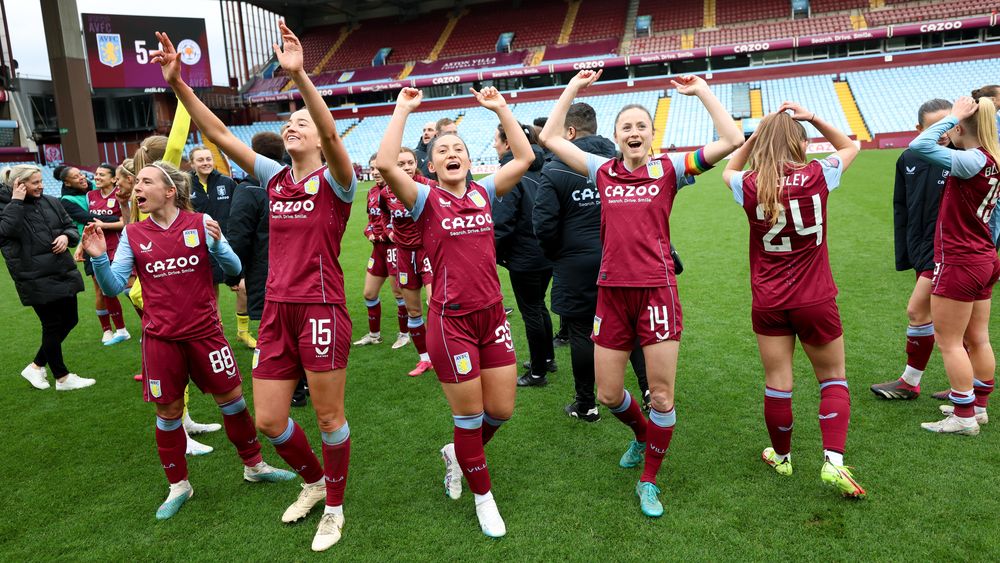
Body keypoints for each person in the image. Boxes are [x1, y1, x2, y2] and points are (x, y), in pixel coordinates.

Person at [155, 21, 357, 551]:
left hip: (320, 308)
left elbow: (332, 135)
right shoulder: (273, 177)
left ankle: (334, 507)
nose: (292, 127)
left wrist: (300, 78)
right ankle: (315, 481)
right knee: (269, 419)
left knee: (330, 415)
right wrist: (178, 85)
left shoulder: (336, 179)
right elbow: (221, 134)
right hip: (275, 310)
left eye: (300, 123)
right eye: (287, 121)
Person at [539, 69, 743, 518]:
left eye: (641, 127)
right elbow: (551, 137)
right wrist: (573, 88)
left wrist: (702, 92)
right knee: (610, 395)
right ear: (616, 137)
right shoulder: (601, 170)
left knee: (662, 394)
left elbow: (731, 139)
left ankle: (649, 480)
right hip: (610, 293)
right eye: (626, 127)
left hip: (657, 292)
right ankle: (641, 433)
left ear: (653, 134)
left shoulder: (670, 168)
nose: (634, 132)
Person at [82, 160, 294, 519]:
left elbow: (234, 270)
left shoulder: (200, 224)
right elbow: (115, 286)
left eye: (145, 182)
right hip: (161, 339)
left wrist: (219, 245)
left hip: (206, 334)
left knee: (234, 403)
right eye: (137, 184)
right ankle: (179, 485)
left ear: (169, 191)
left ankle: (254, 466)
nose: (137, 189)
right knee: (168, 412)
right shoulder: (134, 234)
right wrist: (100, 259)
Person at [376, 85, 533, 538]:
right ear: (430, 163)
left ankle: (457, 453)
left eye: (458, 148)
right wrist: (404, 108)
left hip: (492, 317)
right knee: (468, 416)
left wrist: (501, 109)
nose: (450, 153)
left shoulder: (484, 191)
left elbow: (523, 160)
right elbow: (386, 165)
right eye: (442, 149)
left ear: (468, 159)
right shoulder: (424, 198)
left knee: (500, 411)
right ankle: (484, 498)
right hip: (452, 323)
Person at [722, 103, 866, 499]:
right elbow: (851, 147)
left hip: (769, 299)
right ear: (802, 144)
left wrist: (753, 139)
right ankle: (834, 461)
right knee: (833, 377)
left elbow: (728, 171)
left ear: (762, 144)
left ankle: (782, 457)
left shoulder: (749, 184)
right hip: (815, 297)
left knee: (777, 381)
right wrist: (815, 118)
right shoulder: (818, 173)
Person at [533, 102, 653, 420]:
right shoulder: (622, 160)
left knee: (583, 331)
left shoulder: (557, 165)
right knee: (633, 328)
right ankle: (650, 392)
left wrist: (561, 254)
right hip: (624, 260)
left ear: (570, 132)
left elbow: (543, 224)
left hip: (576, 264)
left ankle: (586, 403)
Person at [909, 95, 1000, 435]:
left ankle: (963, 417)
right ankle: (977, 408)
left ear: (961, 127)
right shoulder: (992, 157)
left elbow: (919, 145)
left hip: (959, 260)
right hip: (985, 257)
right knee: (979, 338)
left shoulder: (970, 160)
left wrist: (951, 118)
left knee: (950, 341)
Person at [871, 99, 953, 400]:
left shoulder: (965, 157)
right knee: (957, 321)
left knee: (918, 311)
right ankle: (969, 388)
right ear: (919, 130)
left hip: (950, 251)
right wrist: (906, 253)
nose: (943, 132)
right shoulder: (908, 158)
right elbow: (901, 207)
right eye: (934, 127)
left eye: (949, 123)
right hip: (922, 249)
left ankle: (911, 382)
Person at [0, 164, 93, 391]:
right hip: (33, 275)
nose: (41, 186)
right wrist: (17, 202)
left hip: (62, 270)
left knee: (70, 320)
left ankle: (36, 366)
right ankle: (62, 377)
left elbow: (70, 226)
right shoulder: (6, 206)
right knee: (52, 325)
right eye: (35, 183)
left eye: (41, 181)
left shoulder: (51, 201)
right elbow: (5, 232)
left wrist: (65, 236)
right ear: (19, 185)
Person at [490, 122, 555, 388]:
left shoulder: (510, 172)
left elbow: (502, 222)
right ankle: (547, 359)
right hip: (547, 251)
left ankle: (538, 372)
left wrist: (493, 253)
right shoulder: (545, 167)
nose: (494, 144)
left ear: (508, 143)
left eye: (496, 139)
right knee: (538, 306)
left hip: (525, 255)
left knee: (531, 311)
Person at [188, 146, 254, 349]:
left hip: (228, 244)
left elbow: (240, 210)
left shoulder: (226, 182)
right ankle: (218, 335)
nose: (206, 162)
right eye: (200, 160)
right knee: (211, 293)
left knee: (243, 288)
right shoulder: (185, 185)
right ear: (192, 164)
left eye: (208, 159)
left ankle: (243, 332)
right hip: (200, 247)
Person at [386, 146, 435, 375]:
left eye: (409, 162)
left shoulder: (429, 186)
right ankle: (425, 358)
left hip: (428, 252)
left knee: (435, 302)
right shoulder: (386, 192)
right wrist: (388, 231)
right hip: (404, 255)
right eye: (400, 164)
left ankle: (445, 350)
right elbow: (384, 215)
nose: (406, 167)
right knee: (413, 310)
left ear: (416, 163)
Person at [354, 154, 408, 348]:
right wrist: (369, 231)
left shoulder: (399, 191)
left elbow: (402, 223)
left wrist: (384, 235)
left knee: (399, 294)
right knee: (369, 293)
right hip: (378, 250)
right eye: (372, 168)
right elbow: (371, 221)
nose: (375, 172)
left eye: (378, 168)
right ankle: (374, 335)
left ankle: (404, 334)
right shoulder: (371, 192)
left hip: (394, 248)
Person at [79, 163, 130, 345]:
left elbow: (127, 222)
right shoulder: (90, 195)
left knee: (131, 290)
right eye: (96, 174)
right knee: (101, 291)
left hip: (119, 247)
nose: (97, 177)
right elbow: (89, 223)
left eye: (102, 174)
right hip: (96, 249)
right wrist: (80, 245)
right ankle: (113, 330)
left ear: (113, 178)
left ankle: (150, 325)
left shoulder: (121, 194)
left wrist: (105, 225)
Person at [56, 165, 96, 238]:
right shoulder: (66, 200)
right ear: (67, 183)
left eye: (81, 174)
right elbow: (88, 218)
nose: (82, 177)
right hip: (89, 238)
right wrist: (116, 219)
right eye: (76, 177)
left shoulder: (96, 185)